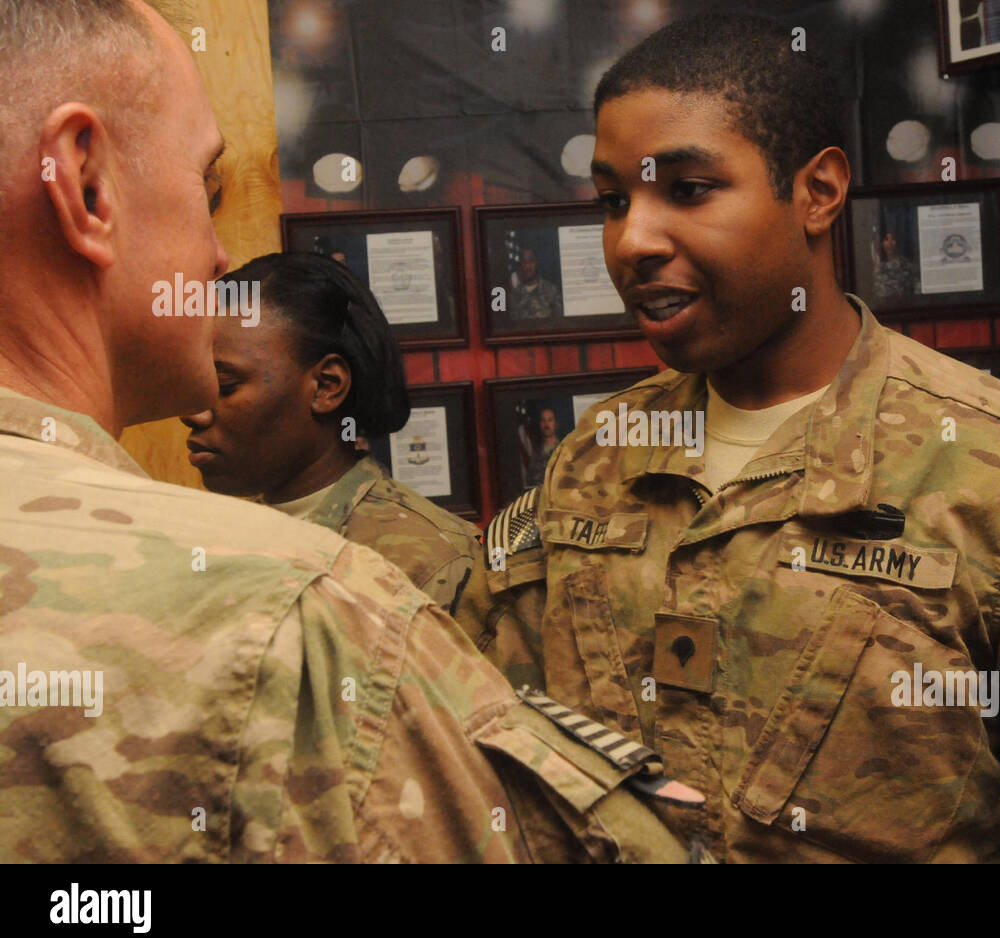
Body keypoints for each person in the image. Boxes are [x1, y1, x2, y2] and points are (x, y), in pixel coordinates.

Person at [457, 13, 1000, 863]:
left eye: (687, 189)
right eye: (614, 201)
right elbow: (519, 779)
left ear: (817, 192)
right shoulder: (595, 460)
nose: (632, 239)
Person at [0, 0, 693, 864]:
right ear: (89, 186)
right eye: (206, 188)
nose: (216, 257)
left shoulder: (374, 574)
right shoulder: (299, 609)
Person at [180, 252, 478, 615]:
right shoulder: (225, 541)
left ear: (326, 386)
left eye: (225, 385)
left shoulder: (430, 563)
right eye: (196, 383)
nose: (192, 413)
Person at [509, 247, 562, 320]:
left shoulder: (552, 291)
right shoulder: (515, 295)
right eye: (524, 262)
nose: (527, 266)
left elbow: (559, 323)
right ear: (521, 264)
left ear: (537, 262)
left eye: (531, 261)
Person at [524, 406, 561, 488]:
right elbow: (530, 481)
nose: (546, 424)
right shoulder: (535, 453)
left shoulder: (564, 451)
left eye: (550, 420)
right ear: (540, 424)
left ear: (556, 424)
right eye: (543, 420)